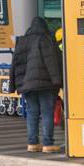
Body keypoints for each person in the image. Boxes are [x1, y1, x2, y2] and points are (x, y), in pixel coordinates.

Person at [9, 15, 64, 154]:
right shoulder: (47, 40)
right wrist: (59, 82)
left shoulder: (22, 41)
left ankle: (32, 143)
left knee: (32, 113)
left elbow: (15, 64)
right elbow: (53, 62)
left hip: (28, 86)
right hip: (46, 85)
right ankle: (47, 144)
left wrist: (14, 85)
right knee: (47, 112)